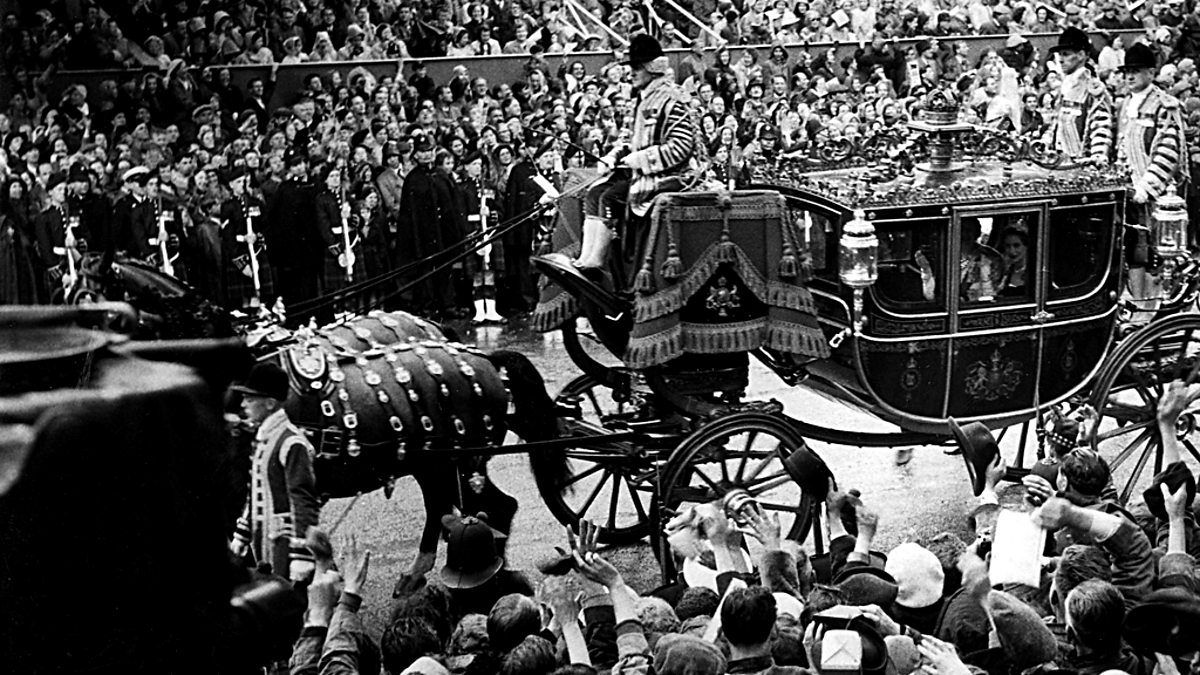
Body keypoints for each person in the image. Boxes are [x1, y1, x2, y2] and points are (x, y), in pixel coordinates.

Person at [575, 33, 699, 270]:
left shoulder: (673, 99)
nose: (630, 73)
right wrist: (612, 157)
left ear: (653, 68)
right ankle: (586, 257)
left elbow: (682, 146)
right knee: (594, 193)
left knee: (610, 196)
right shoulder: (639, 100)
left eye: (637, 67)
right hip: (639, 173)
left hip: (669, 176)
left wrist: (641, 159)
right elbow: (627, 140)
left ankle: (600, 261)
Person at [229, 361, 319, 586]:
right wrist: (242, 534)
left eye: (250, 399)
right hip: (263, 537)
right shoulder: (264, 438)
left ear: (270, 403)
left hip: (286, 542)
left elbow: (303, 500)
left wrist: (302, 554)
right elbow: (254, 491)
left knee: (293, 595)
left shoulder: (291, 442)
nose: (243, 404)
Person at [1117, 42, 1187, 323]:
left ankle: (1153, 310)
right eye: (1126, 72)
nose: (1130, 76)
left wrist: (1147, 187)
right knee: (1133, 249)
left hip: (1154, 195)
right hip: (1128, 191)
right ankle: (1137, 305)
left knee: (1156, 253)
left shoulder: (1164, 105)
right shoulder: (1125, 104)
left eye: (1136, 71)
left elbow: (1168, 151)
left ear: (1151, 73)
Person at [396, 133, 461, 317]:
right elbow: (408, 215)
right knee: (426, 273)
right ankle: (428, 307)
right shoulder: (413, 179)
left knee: (445, 270)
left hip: (444, 233)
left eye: (430, 151)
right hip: (423, 235)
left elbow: (453, 205)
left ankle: (448, 305)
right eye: (422, 151)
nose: (426, 155)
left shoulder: (442, 175)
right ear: (416, 154)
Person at [264, 150, 322, 327]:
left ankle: (312, 318)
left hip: (312, 246)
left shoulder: (316, 185)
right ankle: (294, 320)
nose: (299, 168)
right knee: (292, 286)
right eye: (294, 165)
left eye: (301, 163)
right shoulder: (284, 188)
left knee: (310, 284)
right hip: (291, 248)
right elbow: (272, 218)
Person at [1043, 27, 1113, 166]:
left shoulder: (1093, 88)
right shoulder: (1064, 86)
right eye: (1060, 55)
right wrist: (1044, 143)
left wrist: (1097, 158)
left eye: (1066, 54)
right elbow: (1055, 124)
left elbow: (1101, 128)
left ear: (1081, 55)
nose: (1060, 60)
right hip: (1058, 162)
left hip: (1081, 164)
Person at [959, 217, 1002, 302]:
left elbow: (994, 288)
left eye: (968, 230)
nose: (964, 234)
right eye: (961, 230)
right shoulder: (945, 253)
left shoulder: (990, 256)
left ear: (976, 233)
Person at [997, 225, 1029, 297]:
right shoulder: (1005, 271)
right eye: (1008, 246)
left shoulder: (1035, 273)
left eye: (1016, 245)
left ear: (1026, 246)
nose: (1012, 251)